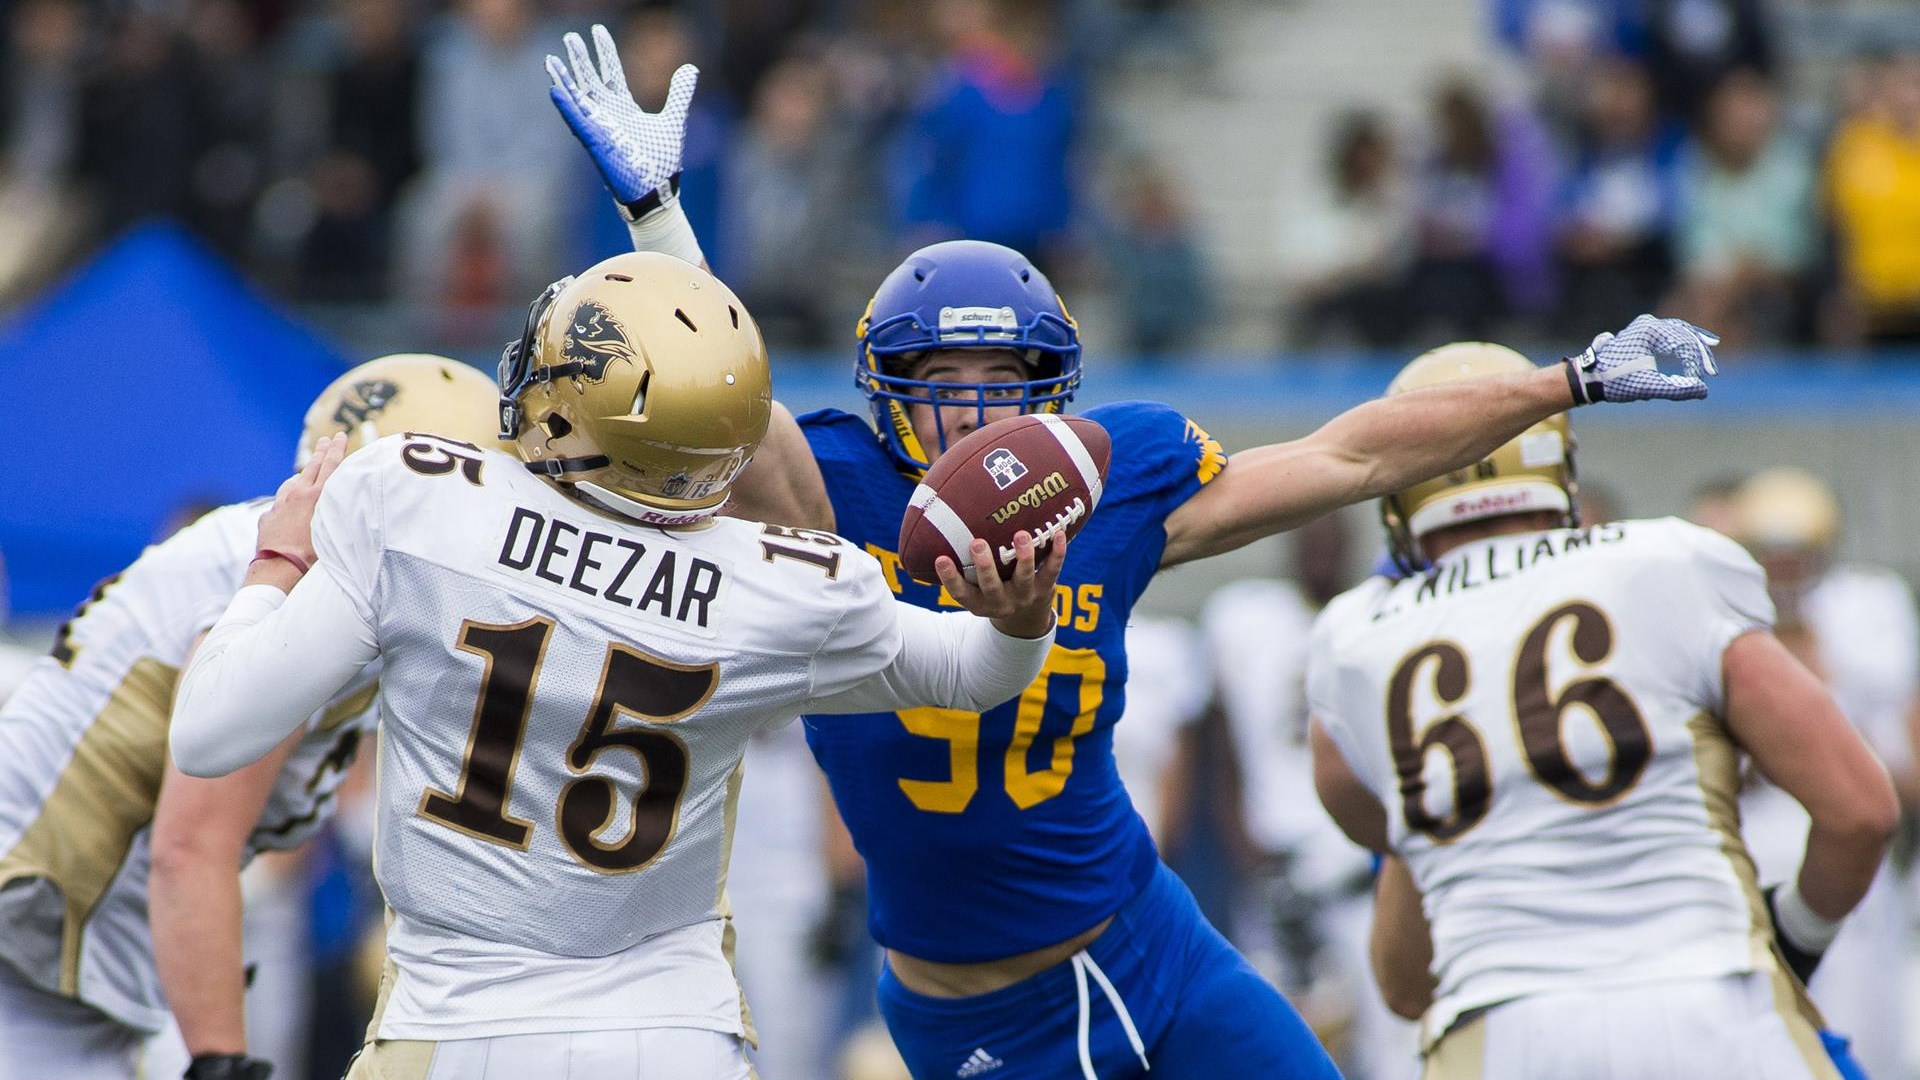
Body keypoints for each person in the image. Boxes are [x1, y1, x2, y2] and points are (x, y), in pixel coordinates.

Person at [550, 28, 1722, 1079]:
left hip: (1152, 933)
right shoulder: (835, 499)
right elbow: (724, 396)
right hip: (984, 1011)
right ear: (889, 396)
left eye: (1004, 386)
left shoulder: (1107, 483)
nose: (977, 419)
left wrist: (1563, 381)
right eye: (942, 388)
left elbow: (1353, 457)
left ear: (1050, 394)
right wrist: (658, 214)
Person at [168, 252, 1068, 1080]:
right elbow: (974, 676)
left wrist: (277, 563)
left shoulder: (413, 498)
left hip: (456, 1026)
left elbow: (210, 734)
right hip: (673, 1034)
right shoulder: (792, 582)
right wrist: (1023, 619)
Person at [1306, 343, 1897, 1079]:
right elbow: (1862, 810)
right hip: (1710, 1002)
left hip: (1501, 1030)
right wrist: (1797, 936)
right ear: (1559, 468)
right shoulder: (1670, 563)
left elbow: (1404, 985)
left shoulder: (1353, 639)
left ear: (1399, 493)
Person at [0, 354, 501, 1080]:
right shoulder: (304, 581)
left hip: (65, 951)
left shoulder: (282, 553)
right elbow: (190, 846)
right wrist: (220, 1061)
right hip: (39, 945)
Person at [1728, 467, 1920, 1080]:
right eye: (1771, 558)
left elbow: (1900, 779)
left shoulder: (1863, 617)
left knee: (1865, 1039)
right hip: (1750, 868)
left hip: (1852, 883)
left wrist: (1821, 696)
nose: (1785, 575)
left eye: (1797, 557)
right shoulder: (1720, 619)